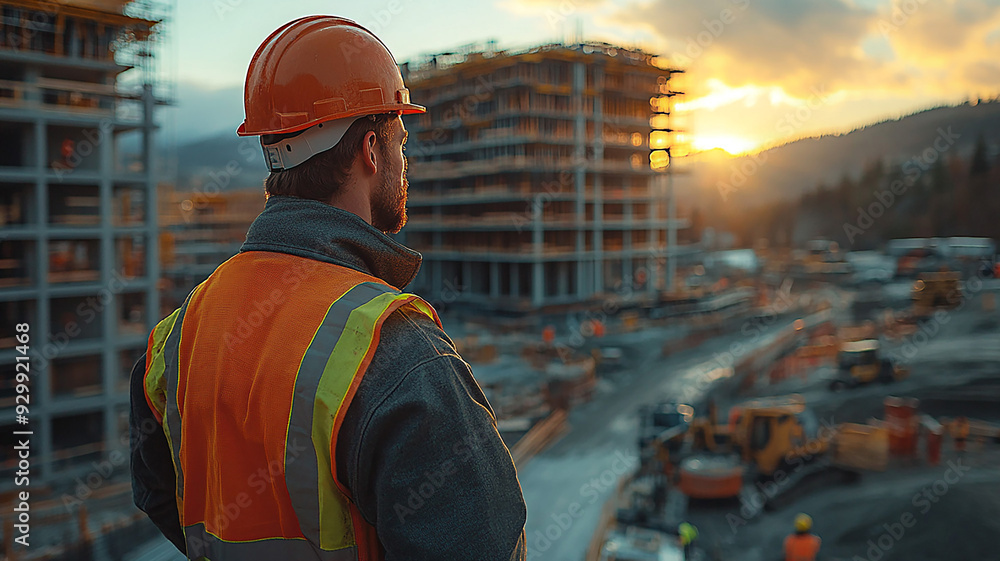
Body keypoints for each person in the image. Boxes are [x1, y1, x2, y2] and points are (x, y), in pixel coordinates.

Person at [129, 16, 527, 561]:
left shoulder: (179, 335)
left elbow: (157, 491)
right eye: (400, 144)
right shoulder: (397, 350)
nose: (404, 165)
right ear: (370, 149)